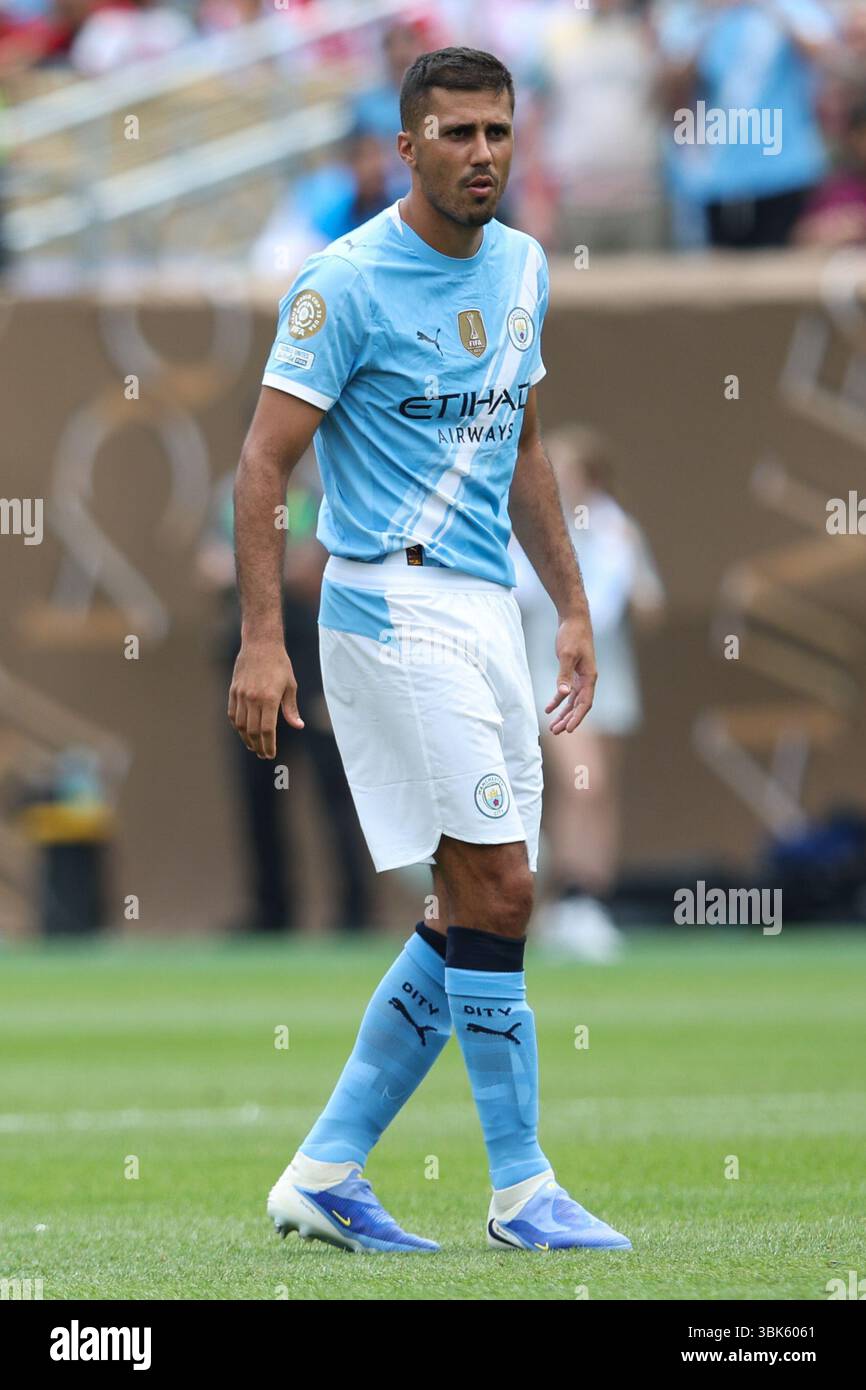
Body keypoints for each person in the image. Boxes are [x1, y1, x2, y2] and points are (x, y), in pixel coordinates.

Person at [229, 46, 631, 1255]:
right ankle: (521, 1192)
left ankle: (327, 1167)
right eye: (454, 133)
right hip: (386, 609)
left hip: (484, 608)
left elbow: (520, 442)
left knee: (467, 909)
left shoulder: (520, 266)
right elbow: (260, 463)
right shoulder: (339, 283)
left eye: (497, 131)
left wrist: (566, 602)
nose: (481, 154)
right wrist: (261, 640)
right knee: (503, 887)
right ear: (406, 148)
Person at [197, 463, 372, 934]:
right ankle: (272, 911)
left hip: (313, 656)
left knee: (334, 787)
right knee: (257, 791)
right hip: (245, 657)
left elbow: (311, 570)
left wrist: (249, 567)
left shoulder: (320, 494)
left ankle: (355, 910)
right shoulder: (230, 495)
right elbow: (207, 568)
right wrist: (265, 567)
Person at [512, 427, 665, 962]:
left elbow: (648, 610)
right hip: (548, 672)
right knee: (583, 784)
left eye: (573, 471)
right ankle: (569, 898)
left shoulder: (620, 531)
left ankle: (588, 901)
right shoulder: (528, 529)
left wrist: (631, 571)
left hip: (611, 676)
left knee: (601, 794)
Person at [656, 0, 837, 250]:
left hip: (784, 171)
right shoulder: (690, 14)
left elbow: (824, 53)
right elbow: (672, 96)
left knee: (782, 271)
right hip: (715, 176)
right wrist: (707, 24)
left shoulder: (791, 7)